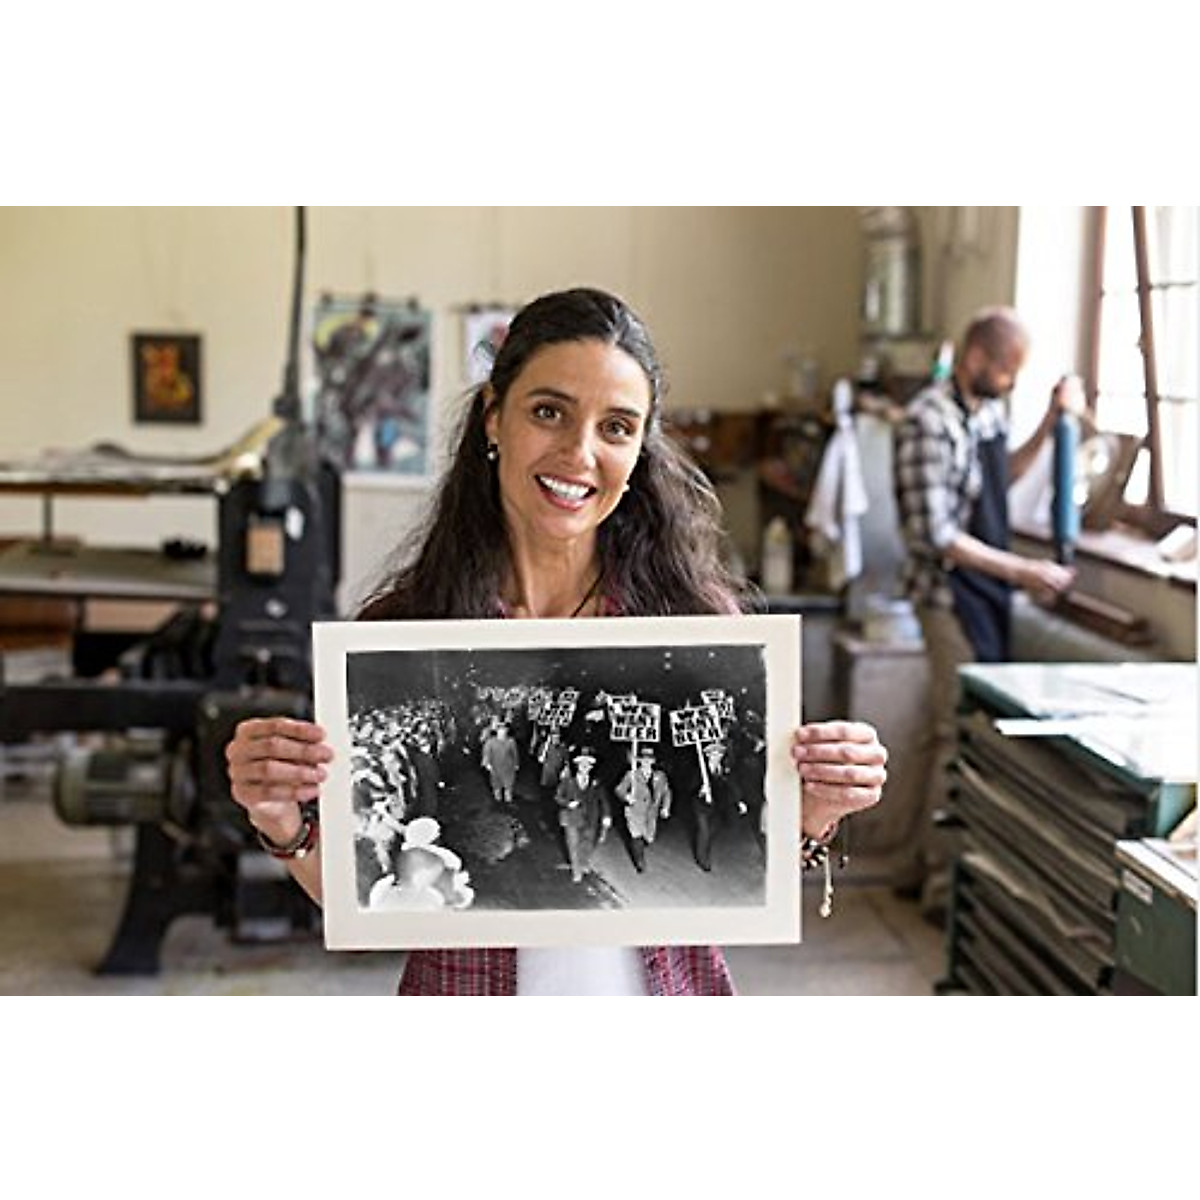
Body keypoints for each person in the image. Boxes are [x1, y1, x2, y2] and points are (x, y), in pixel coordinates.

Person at [226, 285, 888, 996]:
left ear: (639, 450)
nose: (580, 453)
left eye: (617, 427)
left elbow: (733, 868)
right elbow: (369, 890)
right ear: (493, 418)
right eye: (549, 412)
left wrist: (815, 807)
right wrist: (280, 817)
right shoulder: (405, 634)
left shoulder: (697, 628)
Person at [893, 305, 1083, 913]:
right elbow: (937, 535)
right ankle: (942, 890)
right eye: (1006, 372)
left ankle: (914, 862)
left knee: (937, 730)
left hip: (980, 590)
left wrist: (1053, 421)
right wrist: (1025, 572)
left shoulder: (985, 411)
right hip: (945, 595)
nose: (1010, 385)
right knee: (958, 734)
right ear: (977, 359)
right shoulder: (928, 421)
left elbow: (1003, 478)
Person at [555, 749, 613, 882]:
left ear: (591, 768)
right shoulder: (568, 781)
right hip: (571, 818)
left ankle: (582, 862)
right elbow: (557, 797)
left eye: (587, 765)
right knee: (573, 844)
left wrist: (607, 816)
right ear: (577, 766)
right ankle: (577, 871)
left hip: (590, 818)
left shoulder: (596, 783)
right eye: (582, 765)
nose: (585, 767)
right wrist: (568, 803)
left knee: (587, 843)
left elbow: (603, 800)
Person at [614, 749, 671, 872]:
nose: (646, 762)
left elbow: (666, 792)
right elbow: (619, 789)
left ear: (653, 761)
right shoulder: (632, 775)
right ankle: (639, 861)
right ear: (639, 761)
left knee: (649, 837)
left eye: (649, 759)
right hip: (635, 810)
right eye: (643, 759)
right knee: (636, 835)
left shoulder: (660, 776)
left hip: (651, 812)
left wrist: (665, 807)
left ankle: (642, 845)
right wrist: (627, 797)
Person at [480, 721, 519, 806]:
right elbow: (486, 754)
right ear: (497, 731)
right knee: (496, 788)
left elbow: (515, 754)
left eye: (504, 730)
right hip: (495, 769)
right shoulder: (490, 742)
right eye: (500, 730)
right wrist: (487, 765)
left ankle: (509, 805)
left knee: (508, 788)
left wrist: (516, 764)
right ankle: (498, 806)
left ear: (507, 731)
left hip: (508, 769)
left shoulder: (511, 742)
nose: (502, 732)